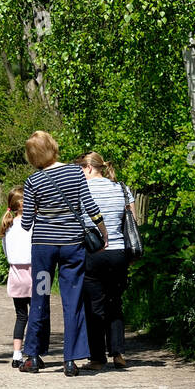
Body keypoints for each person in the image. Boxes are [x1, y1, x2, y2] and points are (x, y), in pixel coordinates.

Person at [19, 130, 108, 377]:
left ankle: (33, 357)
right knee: (72, 300)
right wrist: (104, 232)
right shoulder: (74, 172)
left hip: (44, 250)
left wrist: (39, 209)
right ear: (53, 146)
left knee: (41, 295)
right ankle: (71, 360)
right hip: (72, 248)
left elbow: (26, 223)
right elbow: (90, 206)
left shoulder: (33, 181)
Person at [77, 151, 134, 370]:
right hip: (119, 252)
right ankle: (118, 354)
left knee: (94, 306)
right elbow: (132, 222)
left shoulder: (82, 190)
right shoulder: (122, 188)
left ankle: (97, 358)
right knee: (115, 302)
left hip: (93, 252)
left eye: (81, 168)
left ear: (89, 168)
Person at [1, 186, 51, 367]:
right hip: (37, 272)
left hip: (15, 274)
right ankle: (34, 351)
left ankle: (16, 354)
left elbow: (7, 254)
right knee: (39, 313)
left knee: (21, 315)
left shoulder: (7, 226)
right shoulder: (35, 223)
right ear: (23, 204)